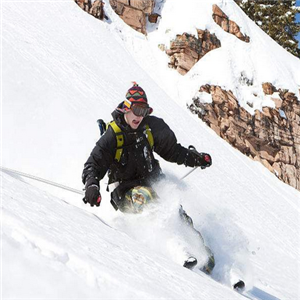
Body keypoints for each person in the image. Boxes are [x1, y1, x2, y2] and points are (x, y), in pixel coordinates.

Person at [82, 82, 214, 272]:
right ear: (126, 108)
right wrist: (91, 186)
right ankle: (179, 251)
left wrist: (196, 158)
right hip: (125, 194)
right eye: (136, 110)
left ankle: (206, 259)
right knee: (147, 199)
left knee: (178, 214)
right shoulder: (113, 135)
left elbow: (173, 151)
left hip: (152, 186)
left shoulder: (149, 128)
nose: (139, 116)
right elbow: (93, 164)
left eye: (143, 111)